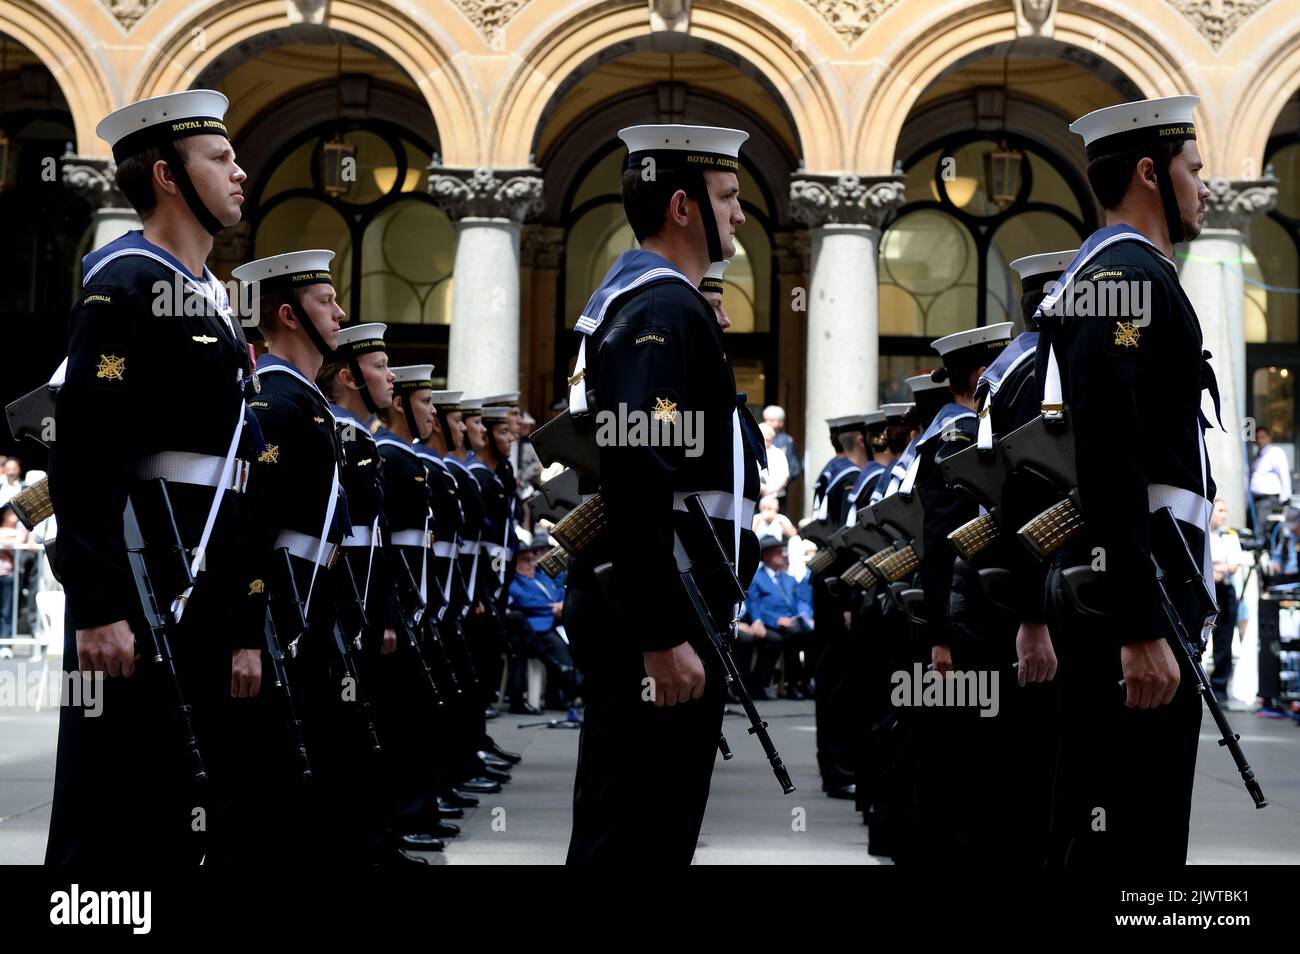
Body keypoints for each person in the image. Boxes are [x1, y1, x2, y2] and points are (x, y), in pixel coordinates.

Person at [45, 90, 257, 864]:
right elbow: (84, 450)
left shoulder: (210, 298)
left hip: (194, 595)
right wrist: (98, 606)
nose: (241, 173)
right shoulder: (125, 282)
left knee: (175, 808)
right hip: (135, 596)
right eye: (222, 160)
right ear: (168, 175)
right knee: (106, 812)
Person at [562, 122, 761, 864]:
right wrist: (660, 635)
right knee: (643, 833)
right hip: (663, 610)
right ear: (683, 206)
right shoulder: (663, 308)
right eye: (728, 196)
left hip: (667, 601)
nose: (740, 214)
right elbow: (639, 474)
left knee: (636, 823)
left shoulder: (646, 300)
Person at [1040, 95, 1215, 864]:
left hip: (1142, 581)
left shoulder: (1120, 274)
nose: (1205, 186)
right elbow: (1111, 457)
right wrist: (1143, 623)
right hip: (1140, 593)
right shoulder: (1126, 276)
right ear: (1151, 171)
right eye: (1194, 169)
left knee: (1119, 815)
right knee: (1129, 827)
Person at [507, 532, 581, 708]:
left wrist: (561, 604)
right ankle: (573, 690)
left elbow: (560, 592)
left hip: (557, 622)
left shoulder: (541, 576)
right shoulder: (514, 580)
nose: (532, 564)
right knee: (558, 646)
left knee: (576, 643)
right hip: (537, 626)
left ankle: (561, 694)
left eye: (533, 559)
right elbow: (524, 601)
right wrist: (552, 607)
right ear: (516, 562)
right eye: (526, 560)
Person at [744, 535, 814, 698]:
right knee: (785, 637)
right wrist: (773, 620)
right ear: (767, 556)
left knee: (811, 636)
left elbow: (799, 603)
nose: (785, 555)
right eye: (779, 552)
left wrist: (806, 618)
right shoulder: (757, 578)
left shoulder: (788, 578)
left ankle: (804, 682)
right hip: (770, 623)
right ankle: (787, 684)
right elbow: (754, 604)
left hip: (792, 622)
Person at [1209, 497, 1243, 702]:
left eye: (1225, 510)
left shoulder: (1229, 536)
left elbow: (1233, 565)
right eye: (1220, 510)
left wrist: (1214, 567)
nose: (1224, 515)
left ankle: (1219, 688)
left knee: (1224, 640)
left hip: (1224, 591)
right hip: (1205, 589)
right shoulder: (1203, 533)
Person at [1250, 426, 1291, 525]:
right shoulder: (1257, 456)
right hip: (1257, 500)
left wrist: (1285, 498)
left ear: (1269, 438)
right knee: (1258, 529)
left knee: (1265, 530)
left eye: (1262, 437)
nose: (1259, 440)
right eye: (1257, 437)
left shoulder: (1275, 452)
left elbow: (1284, 474)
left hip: (1269, 499)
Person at [763, 405, 801, 497]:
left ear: (781, 423)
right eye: (766, 420)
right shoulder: (757, 438)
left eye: (772, 420)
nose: (768, 423)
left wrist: (782, 482)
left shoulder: (787, 441)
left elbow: (794, 468)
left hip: (779, 492)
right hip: (760, 490)